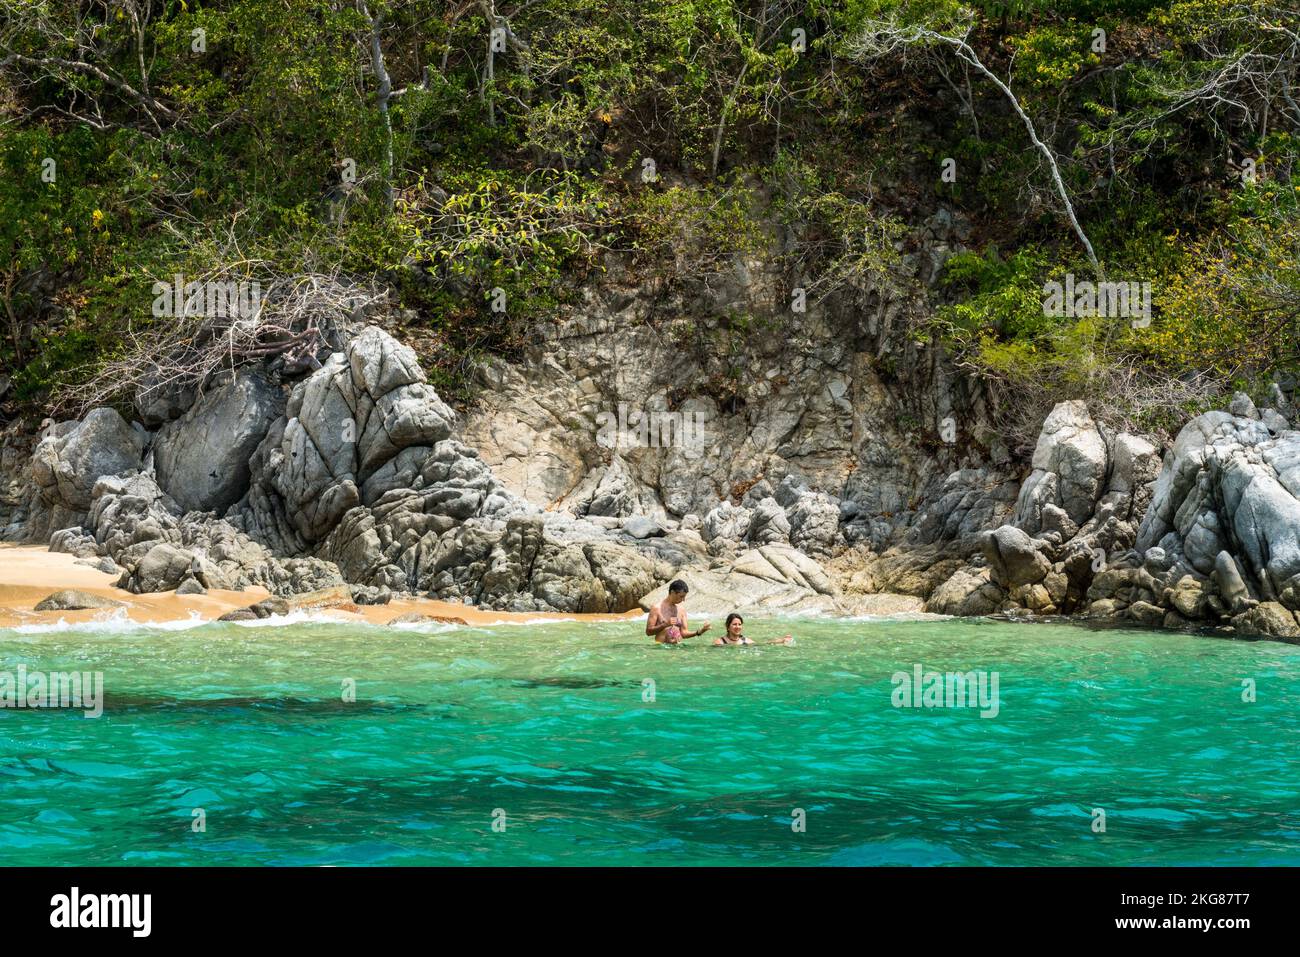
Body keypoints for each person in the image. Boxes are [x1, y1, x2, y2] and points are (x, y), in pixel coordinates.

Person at [645, 580, 710, 644]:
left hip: (677, 649)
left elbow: (684, 633)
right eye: (681, 596)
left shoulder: (681, 610)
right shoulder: (656, 608)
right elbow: (648, 632)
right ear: (672, 592)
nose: (683, 600)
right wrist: (665, 625)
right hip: (661, 649)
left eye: (684, 597)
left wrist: (700, 632)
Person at [713, 613, 793, 646]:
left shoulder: (746, 641)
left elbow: (763, 645)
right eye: (734, 624)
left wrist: (782, 640)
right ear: (728, 627)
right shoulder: (720, 643)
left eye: (739, 624)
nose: (737, 627)